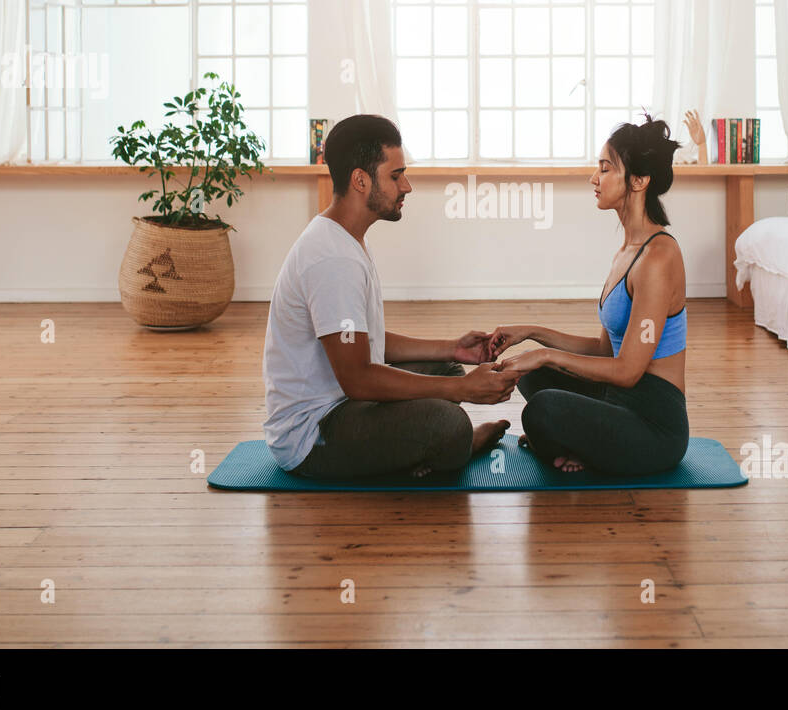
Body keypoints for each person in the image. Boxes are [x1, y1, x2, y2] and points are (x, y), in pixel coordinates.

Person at [262, 114, 518, 480]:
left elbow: (364, 341)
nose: (407, 187)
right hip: (314, 434)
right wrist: (462, 389)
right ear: (360, 180)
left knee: (445, 369)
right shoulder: (333, 259)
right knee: (449, 424)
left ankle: (420, 454)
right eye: (396, 176)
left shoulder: (343, 239)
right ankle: (448, 447)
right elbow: (358, 379)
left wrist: (452, 349)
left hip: (344, 403)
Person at [490, 116, 689, 475]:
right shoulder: (626, 252)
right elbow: (603, 351)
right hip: (617, 400)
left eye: (605, 168)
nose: (594, 178)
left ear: (639, 180)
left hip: (654, 425)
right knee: (532, 372)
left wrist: (545, 355)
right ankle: (573, 446)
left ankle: (571, 444)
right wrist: (532, 333)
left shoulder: (659, 257)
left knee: (542, 408)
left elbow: (627, 371)